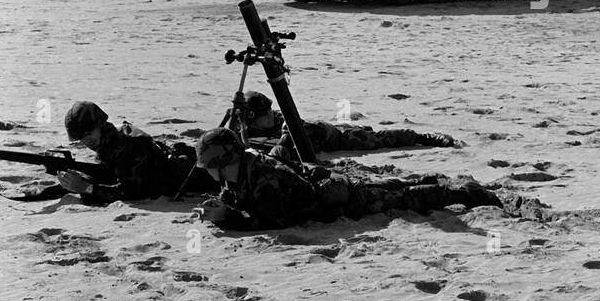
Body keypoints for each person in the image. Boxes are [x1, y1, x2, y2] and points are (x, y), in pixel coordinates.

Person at [191, 127, 533, 230]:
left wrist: (231, 218)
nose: (207, 172)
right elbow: (242, 198)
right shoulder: (240, 171)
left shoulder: (265, 177)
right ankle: (432, 180)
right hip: (333, 187)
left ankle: (466, 194)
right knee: (393, 188)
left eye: (209, 165)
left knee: (407, 200)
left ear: (224, 161)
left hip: (341, 200)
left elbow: (276, 218)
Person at [55, 101, 214, 204]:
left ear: (100, 125)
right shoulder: (110, 140)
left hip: (199, 176)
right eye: (80, 138)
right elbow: (110, 174)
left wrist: (87, 188)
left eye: (88, 134)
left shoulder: (127, 146)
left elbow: (132, 192)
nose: (85, 141)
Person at [237, 91, 461, 160]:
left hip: (331, 136)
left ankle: (424, 137)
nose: (267, 118)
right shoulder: (247, 127)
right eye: (260, 116)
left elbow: (284, 146)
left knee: (375, 140)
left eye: (267, 113)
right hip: (316, 147)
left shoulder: (285, 122)